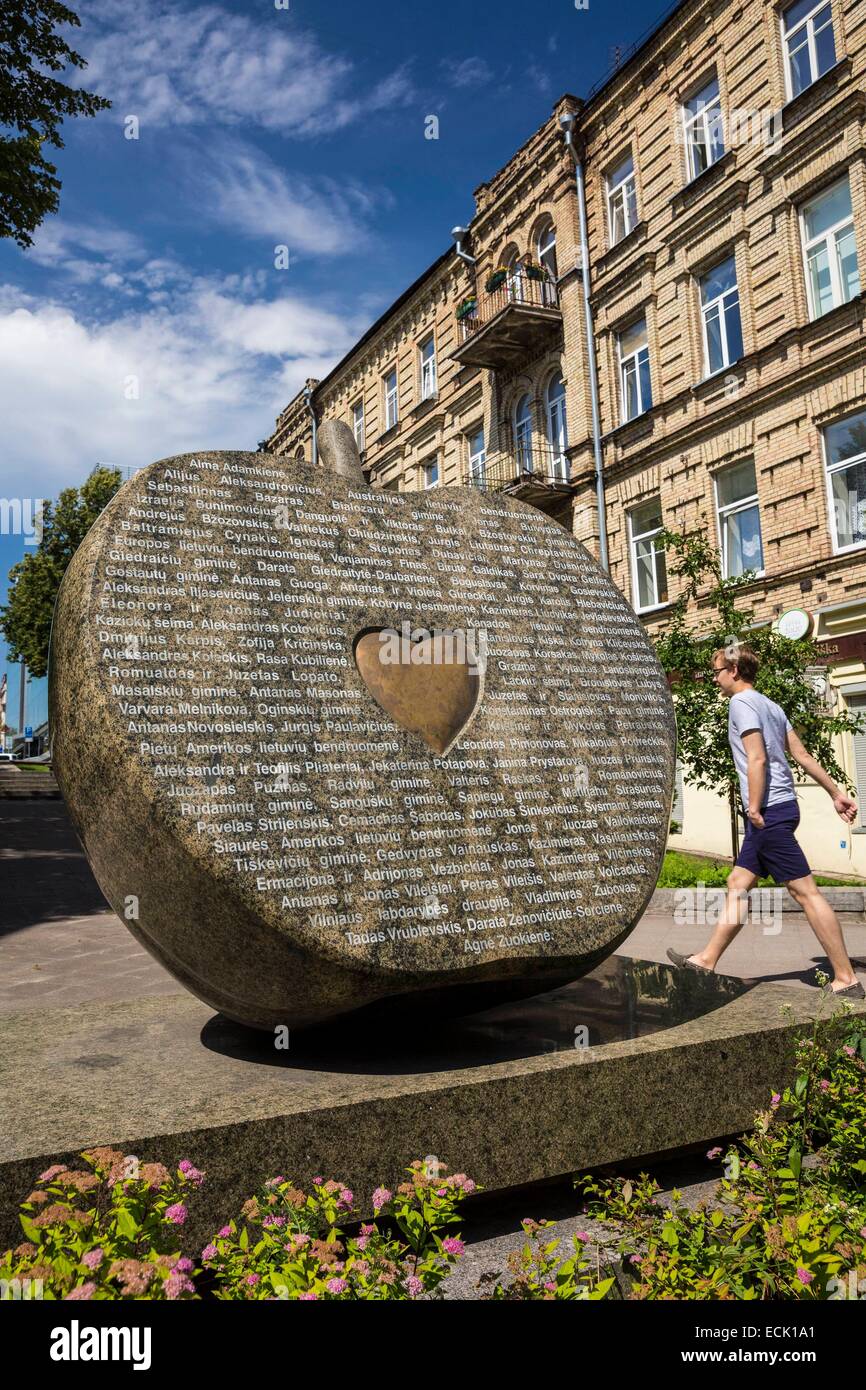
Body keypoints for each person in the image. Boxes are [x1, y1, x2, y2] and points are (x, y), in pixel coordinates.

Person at [667, 642, 865, 998]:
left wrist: (754, 807)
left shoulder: (741, 703)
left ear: (735, 671)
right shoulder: (771, 706)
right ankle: (706, 960)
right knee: (738, 883)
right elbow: (801, 754)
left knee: (804, 891)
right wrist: (835, 793)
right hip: (782, 806)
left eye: (715, 671)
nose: (713, 679)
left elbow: (756, 758)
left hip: (768, 811)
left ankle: (846, 979)